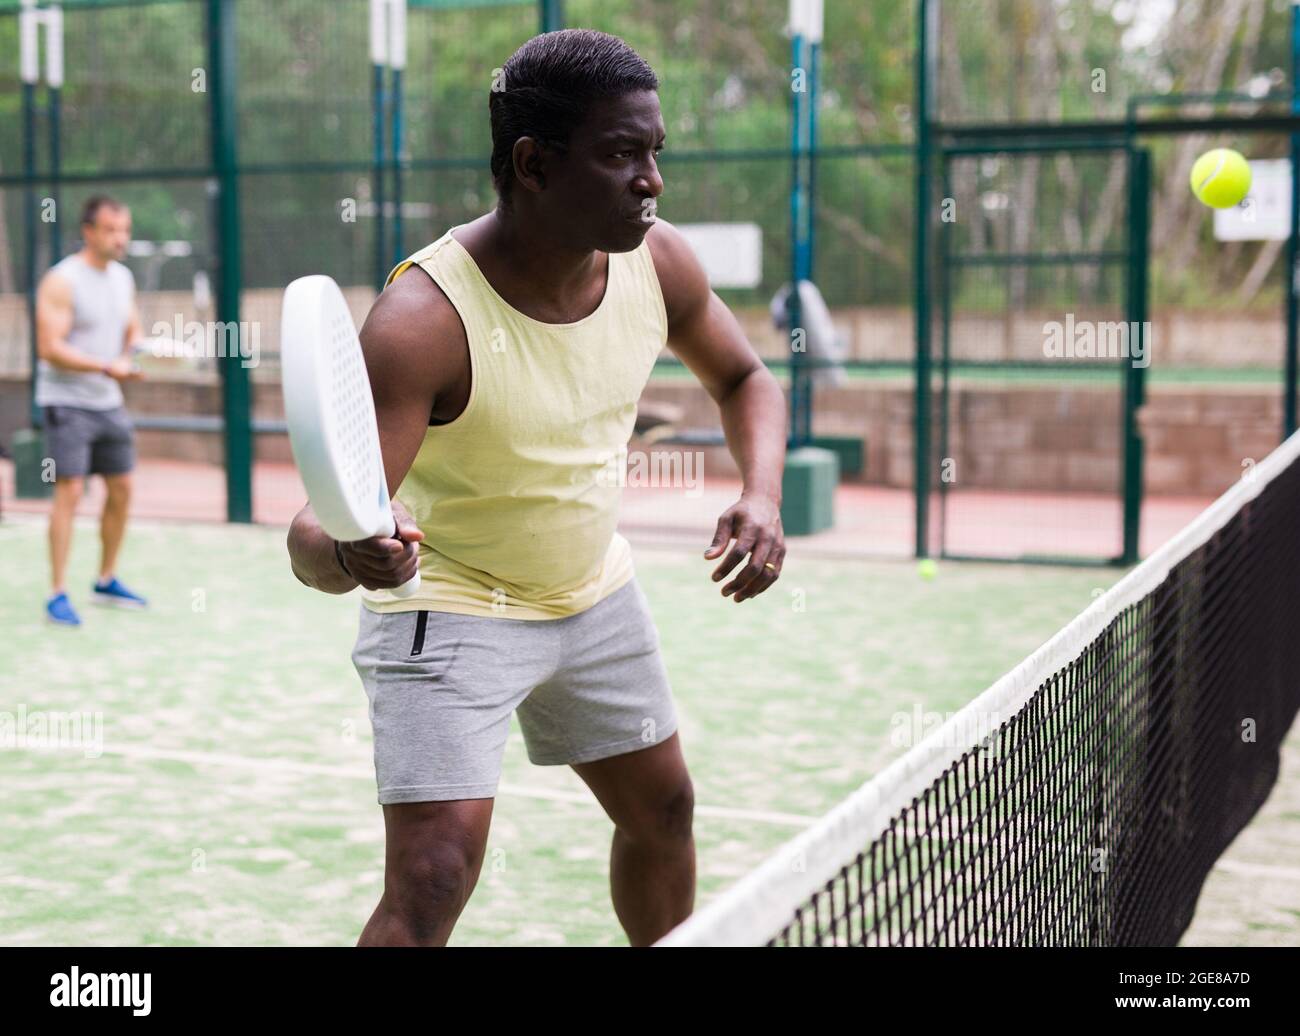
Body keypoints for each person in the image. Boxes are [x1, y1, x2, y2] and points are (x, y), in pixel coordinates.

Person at [286, 29, 787, 946]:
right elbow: (314, 535)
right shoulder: (423, 321)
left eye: (655, 153)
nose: (652, 181)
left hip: (593, 593)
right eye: (621, 154)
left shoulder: (659, 262)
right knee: (435, 873)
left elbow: (748, 379)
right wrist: (357, 553)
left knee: (664, 813)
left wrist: (762, 492)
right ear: (534, 164)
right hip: (454, 603)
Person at [35, 195, 149, 627]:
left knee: (122, 489)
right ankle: (57, 593)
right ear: (89, 231)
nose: (120, 238)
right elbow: (49, 348)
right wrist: (106, 365)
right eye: (110, 230)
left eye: (125, 230)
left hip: (108, 403)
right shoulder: (62, 281)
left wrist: (143, 354)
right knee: (69, 491)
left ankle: (105, 579)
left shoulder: (122, 278)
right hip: (68, 403)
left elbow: (131, 328)